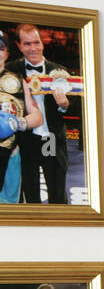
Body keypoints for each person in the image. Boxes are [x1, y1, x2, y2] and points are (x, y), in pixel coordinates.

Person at [5, 24, 73, 204]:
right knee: (30, 190)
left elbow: (76, 106)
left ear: (42, 44)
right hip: (25, 138)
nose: (33, 48)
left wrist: (64, 105)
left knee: (56, 187)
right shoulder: (10, 70)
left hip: (49, 137)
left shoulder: (59, 71)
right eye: (27, 44)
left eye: (36, 42)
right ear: (19, 46)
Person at [0, 33, 45, 204]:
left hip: (10, 154)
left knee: (9, 211)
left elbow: (37, 116)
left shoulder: (18, 81)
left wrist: (18, 123)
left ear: (7, 53)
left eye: (1, 48)